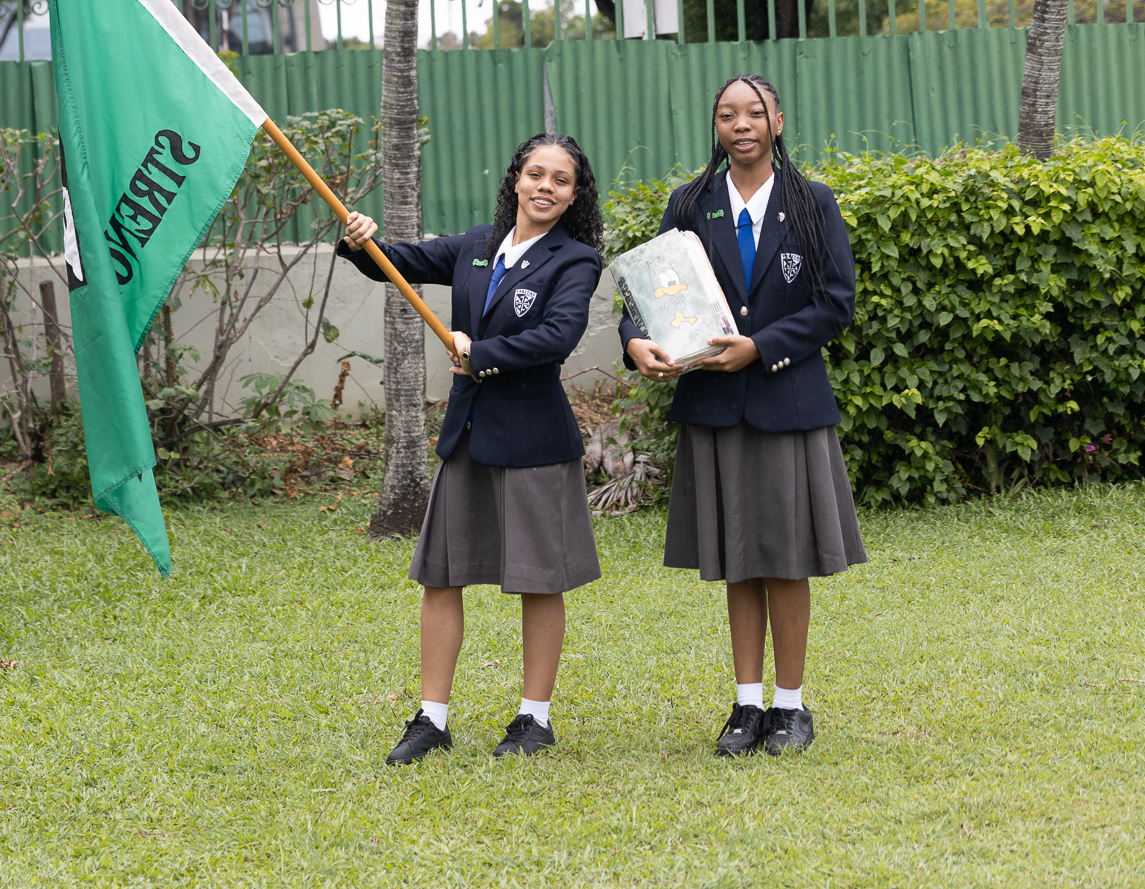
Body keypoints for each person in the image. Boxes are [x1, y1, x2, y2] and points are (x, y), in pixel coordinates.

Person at [338, 132, 605, 765]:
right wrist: (358, 239)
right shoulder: (474, 248)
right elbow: (392, 261)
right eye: (535, 174)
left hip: (535, 442)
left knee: (540, 582)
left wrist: (477, 353)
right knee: (443, 576)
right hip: (467, 438)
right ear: (515, 180)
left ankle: (533, 719)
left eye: (560, 180)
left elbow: (557, 336)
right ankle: (432, 718)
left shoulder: (576, 260)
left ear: (573, 197)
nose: (545, 187)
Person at [621, 74, 864, 758]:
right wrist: (634, 343)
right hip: (715, 407)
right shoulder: (691, 203)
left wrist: (760, 347)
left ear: (778, 120)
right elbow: (646, 296)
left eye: (753, 111)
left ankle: (791, 707)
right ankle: (747, 704)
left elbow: (834, 303)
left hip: (786, 401)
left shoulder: (812, 204)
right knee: (738, 558)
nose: (740, 123)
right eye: (726, 113)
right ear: (717, 125)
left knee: (785, 559)